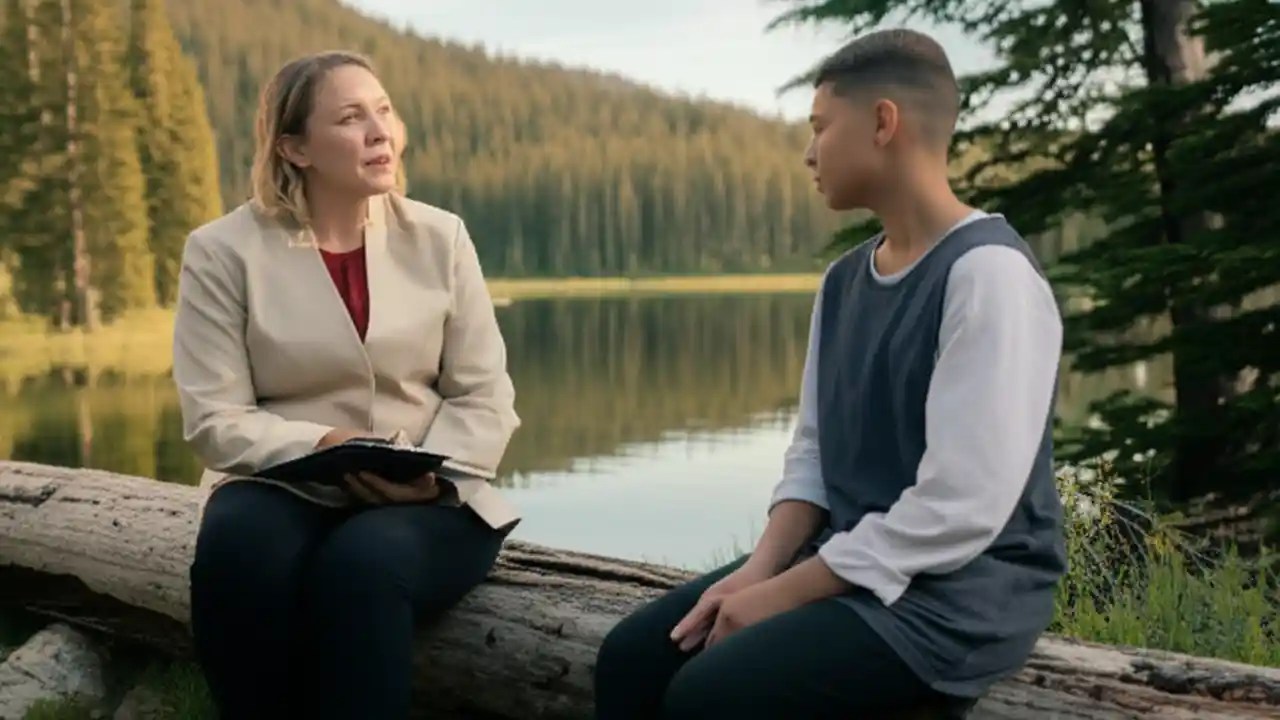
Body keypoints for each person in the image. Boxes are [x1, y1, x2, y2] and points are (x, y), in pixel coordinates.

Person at [593, 28, 1067, 720]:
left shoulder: (989, 275)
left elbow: (957, 510)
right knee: (631, 658)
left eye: (821, 127)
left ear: (883, 123)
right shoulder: (844, 282)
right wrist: (759, 571)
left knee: (712, 697)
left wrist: (781, 595)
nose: (809, 152)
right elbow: (812, 455)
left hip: (955, 595)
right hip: (846, 561)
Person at [172, 50, 521, 720]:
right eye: (351, 118)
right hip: (285, 480)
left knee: (363, 567)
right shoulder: (222, 251)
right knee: (237, 550)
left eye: (384, 111)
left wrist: (434, 477)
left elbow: (485, 395)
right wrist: (324, 440)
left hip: (434, 494)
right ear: (295, 148)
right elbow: (215, 417)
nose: (379, 131)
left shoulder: (440, 237)